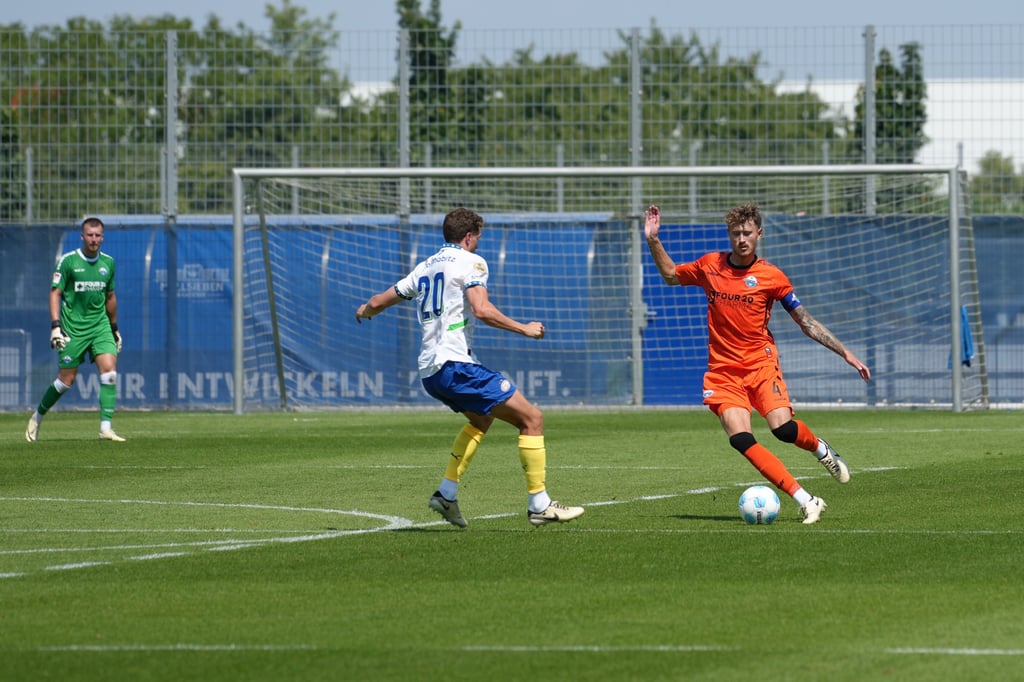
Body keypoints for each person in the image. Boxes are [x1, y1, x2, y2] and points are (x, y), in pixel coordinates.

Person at [355, 207, 584, 529]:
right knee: (532, 419)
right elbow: (482, 309)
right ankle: (540, 505)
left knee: (481, 418)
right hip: (455, 364)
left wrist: (364, 310)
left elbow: (378, 302)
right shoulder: (471, 262)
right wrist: (525, 328)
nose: (478, 244)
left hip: (430, 373)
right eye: (477, 237)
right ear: (468, 236)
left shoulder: (424, 267)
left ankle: (447, 494)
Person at [644, 203, 871, 524]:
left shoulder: (771, 276)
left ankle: (820, 449)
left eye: (747, 233)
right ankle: (806, 499)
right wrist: (653, 239)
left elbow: (806, 322)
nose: (741, 239)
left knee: (783, 429)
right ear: (729, 235)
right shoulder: (711, 266)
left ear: (759, 234)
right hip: (723, 372)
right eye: (735, 233)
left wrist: (845, 352)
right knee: (740, 438)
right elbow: (670, 275)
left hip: (761, 367)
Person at [25, 216, 125, 443]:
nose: (94, 239)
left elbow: (110, 297)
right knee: (66, 381)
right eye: (89, 235)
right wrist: (55, 327)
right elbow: (55, 293)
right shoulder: (69, 261)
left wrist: (115, 328)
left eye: (98, 235)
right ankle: (37, 416)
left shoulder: (108, 263)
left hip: (100, 326)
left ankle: (106, 428)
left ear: (102, 237)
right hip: (73, 329)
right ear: (82, 237)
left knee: (109, 372)